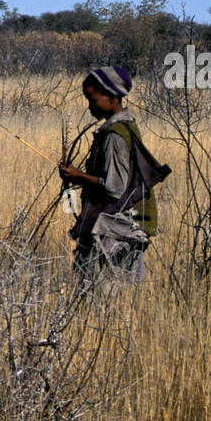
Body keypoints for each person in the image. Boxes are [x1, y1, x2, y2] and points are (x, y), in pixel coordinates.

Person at [57, 66, 169, 287]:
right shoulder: (125, 127)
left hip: (115, 227)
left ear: (111, 97)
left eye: (93, 99)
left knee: (103, 294)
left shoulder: (114, 136)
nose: (90, 106)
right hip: (124, 225)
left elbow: (115, 188)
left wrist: (78, 176)